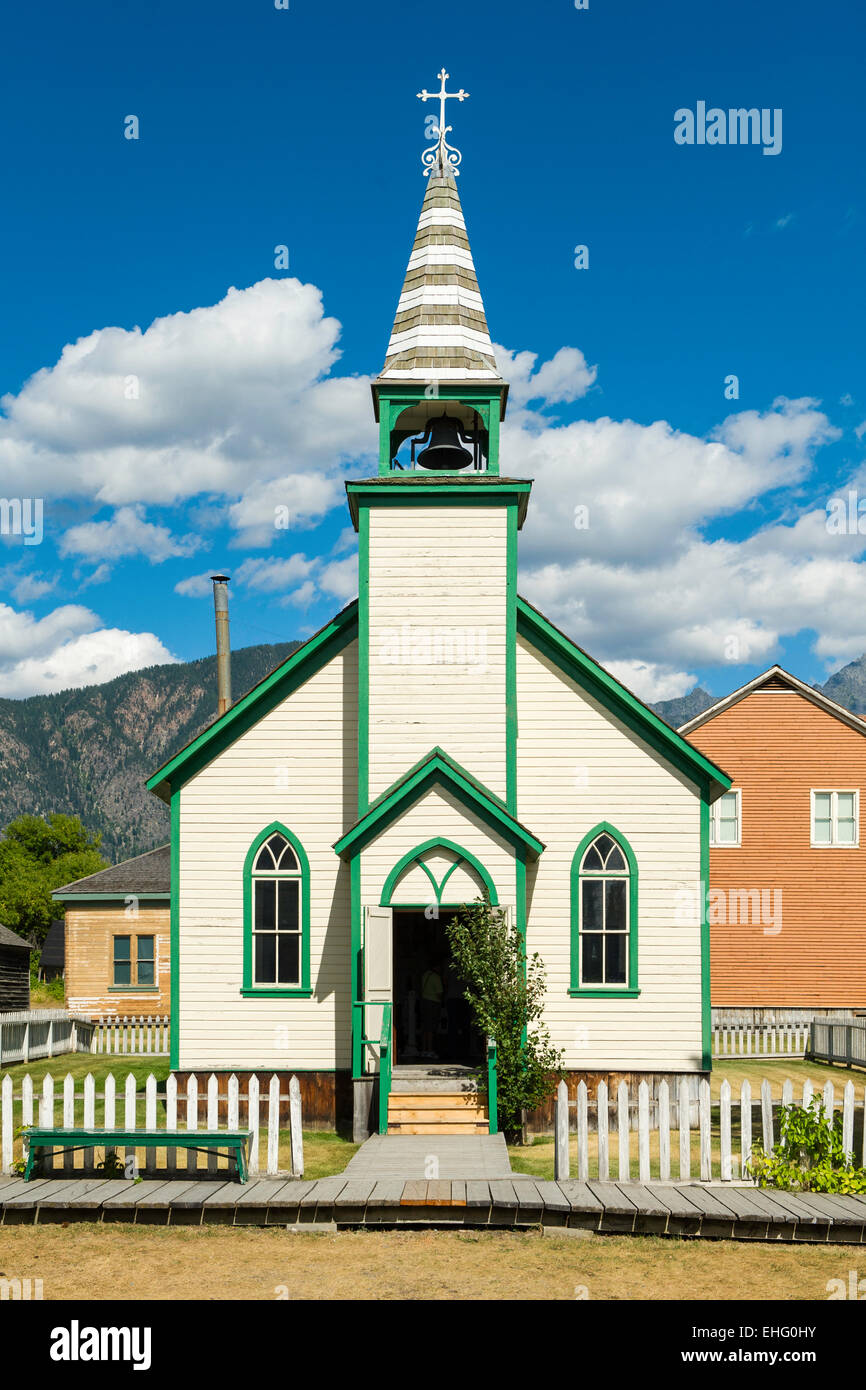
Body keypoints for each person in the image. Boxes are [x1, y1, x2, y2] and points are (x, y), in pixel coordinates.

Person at [420, 961, 444, 1059]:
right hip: (433, 1003)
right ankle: (430, 1050)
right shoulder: (436, 977)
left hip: (424, 1001)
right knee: (431, 1027)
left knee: (425, 1027)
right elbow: (439, 992)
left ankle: (424, 1049)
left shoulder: (425, 975)